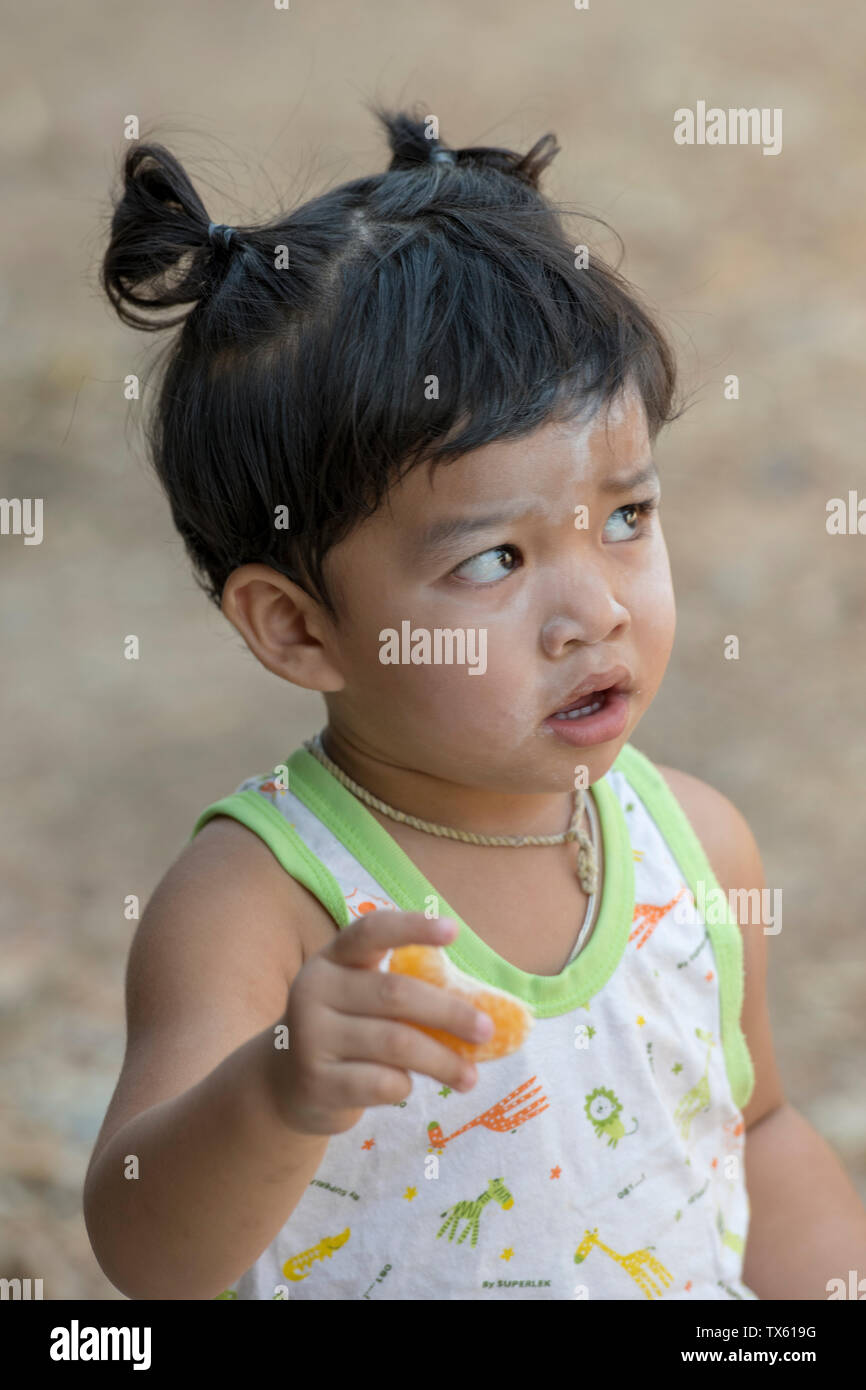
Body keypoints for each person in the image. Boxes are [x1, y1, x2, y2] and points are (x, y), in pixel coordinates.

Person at [83, 104, 866, 1301]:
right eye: (493, 560)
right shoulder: (264, 903)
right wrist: (280, 1083)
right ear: (295, 627)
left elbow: (753, 1129)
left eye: (625, 518)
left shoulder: (692, 846)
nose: (594, 609)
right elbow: (149, 1254)